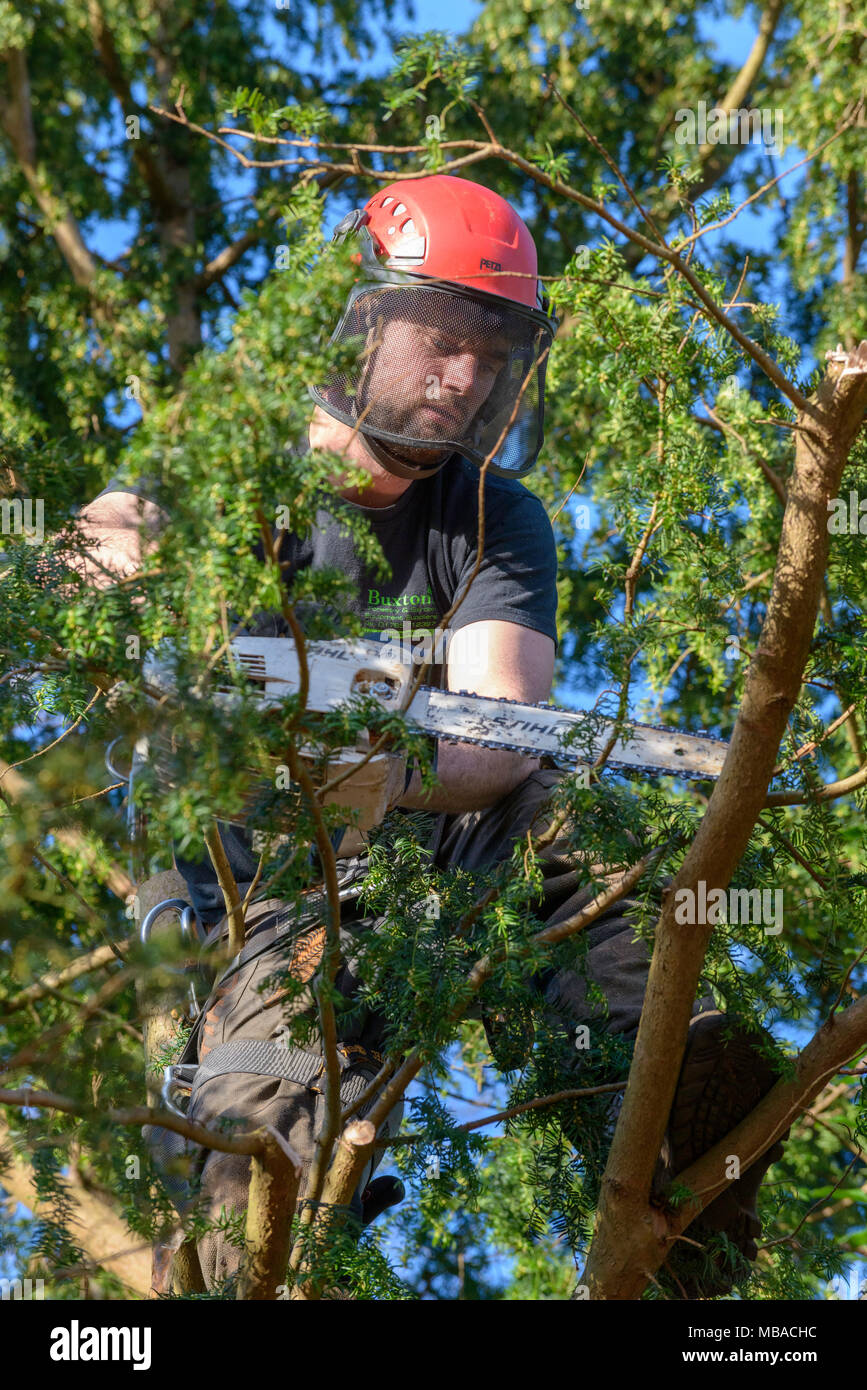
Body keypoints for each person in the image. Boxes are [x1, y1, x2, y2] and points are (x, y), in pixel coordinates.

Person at [73, 174, 783, 1298]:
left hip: (424, 845)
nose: (464, 375)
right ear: (366, 321)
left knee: (562, 807)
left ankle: (656, 1099)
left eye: (490, 352)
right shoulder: (236, 462)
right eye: (443, 339)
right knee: (251, 1187)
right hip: (264, 888)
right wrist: (123, 569)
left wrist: (381, 763)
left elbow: (500, 725)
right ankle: (257, 1246)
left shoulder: (497, 516)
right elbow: (98, 548)